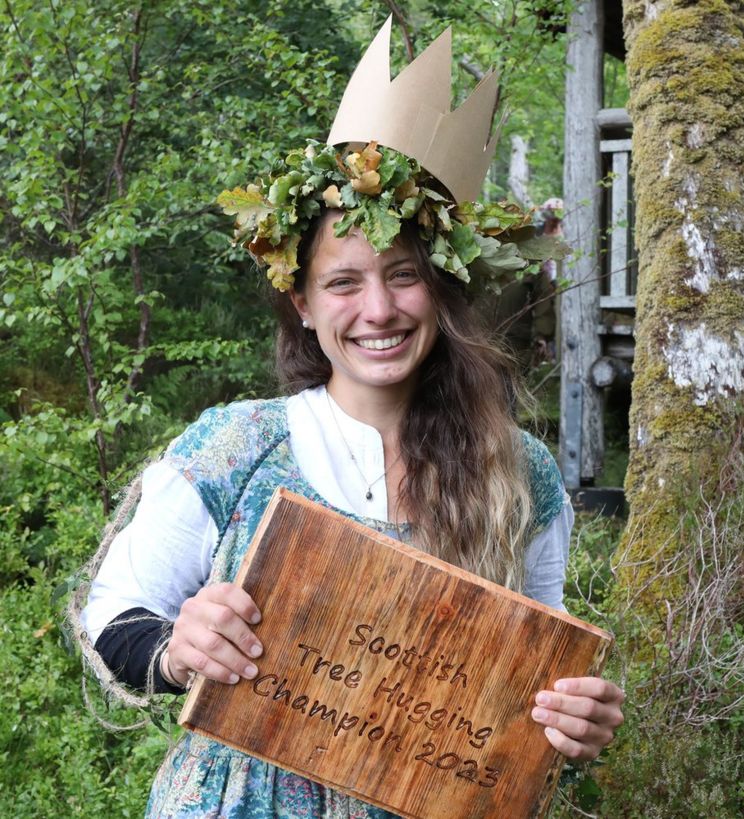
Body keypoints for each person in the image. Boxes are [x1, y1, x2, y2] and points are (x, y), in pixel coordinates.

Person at [77, 19, 623, 818]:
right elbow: (112, 619)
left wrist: (571, 727)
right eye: (343, 283)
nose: (378, 309)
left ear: (439, 289)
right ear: (300, 302)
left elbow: (524, 705)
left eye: (404, 275)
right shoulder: (237, 449)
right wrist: (175, 648)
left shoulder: (520, 474)